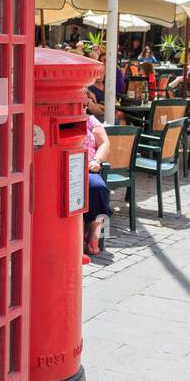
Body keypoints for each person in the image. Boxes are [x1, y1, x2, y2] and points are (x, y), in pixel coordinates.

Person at [84, 85, 111, 256]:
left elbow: (105, 144)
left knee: (98, 188)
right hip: (64, 169)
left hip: (88, 167)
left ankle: (94, 232)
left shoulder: (91, 120)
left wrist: (96, 160)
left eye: (84, 97)